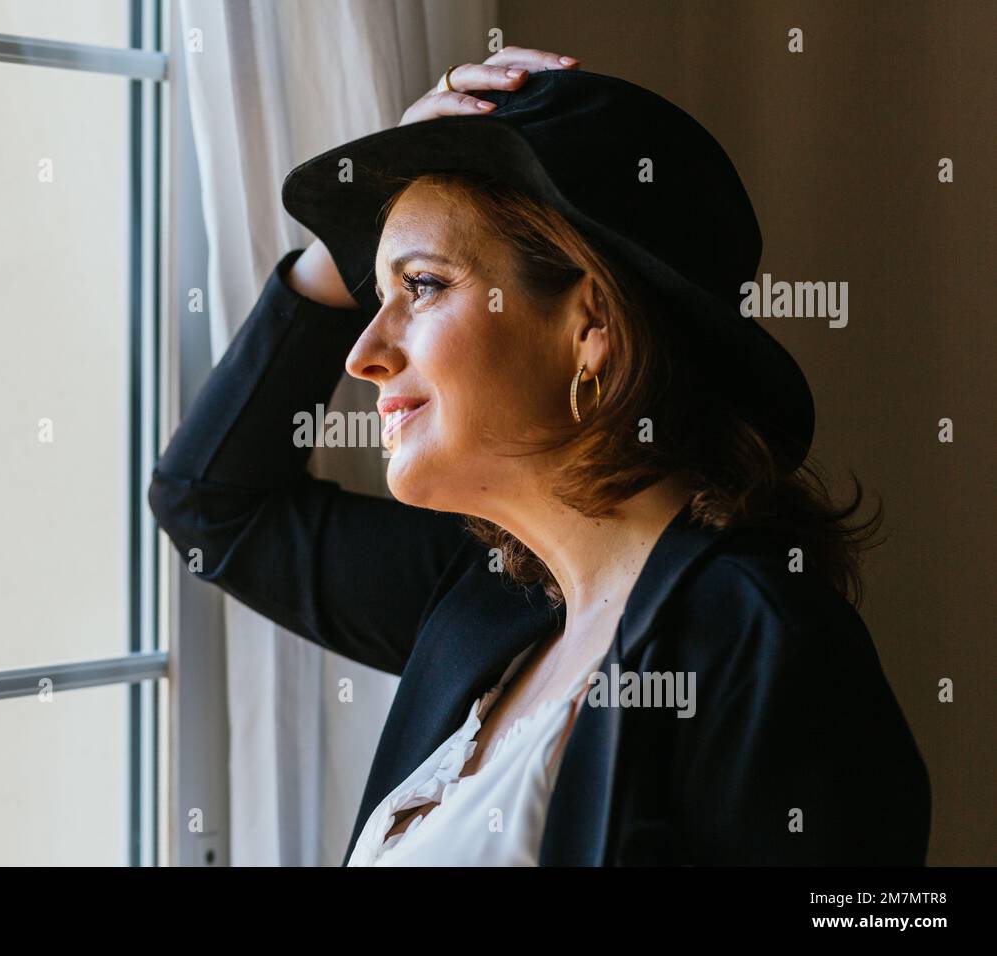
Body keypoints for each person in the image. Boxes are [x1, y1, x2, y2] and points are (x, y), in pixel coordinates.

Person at [150, 49, 931, 866]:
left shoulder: (762, 644)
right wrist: (373, 215)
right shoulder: (484, 605)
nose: (363, 355)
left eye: (419, 287)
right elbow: (210, 502)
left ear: (591, 321)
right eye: (375, 297)